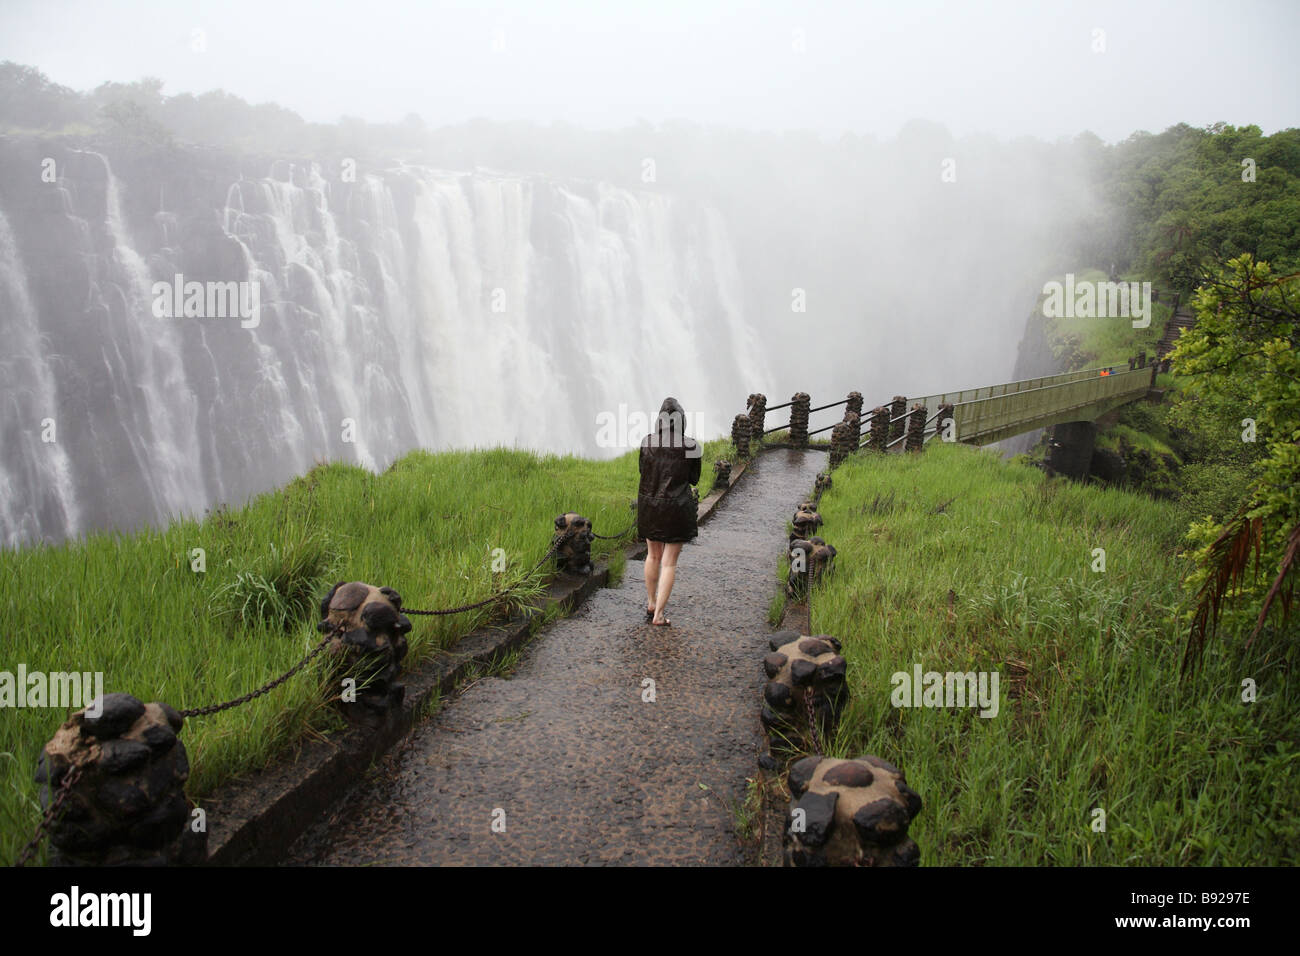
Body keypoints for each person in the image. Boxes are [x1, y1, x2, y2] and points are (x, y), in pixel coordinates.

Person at [637, 397, 701, 626]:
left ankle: (651, 601)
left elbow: (643, 471)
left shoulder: (647, 442)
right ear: (681, 421)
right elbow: (694, 479)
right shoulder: (692, 445)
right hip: (677, 509)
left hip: (650, 507)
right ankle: (659, 615)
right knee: (669, 562)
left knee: (652, 555)